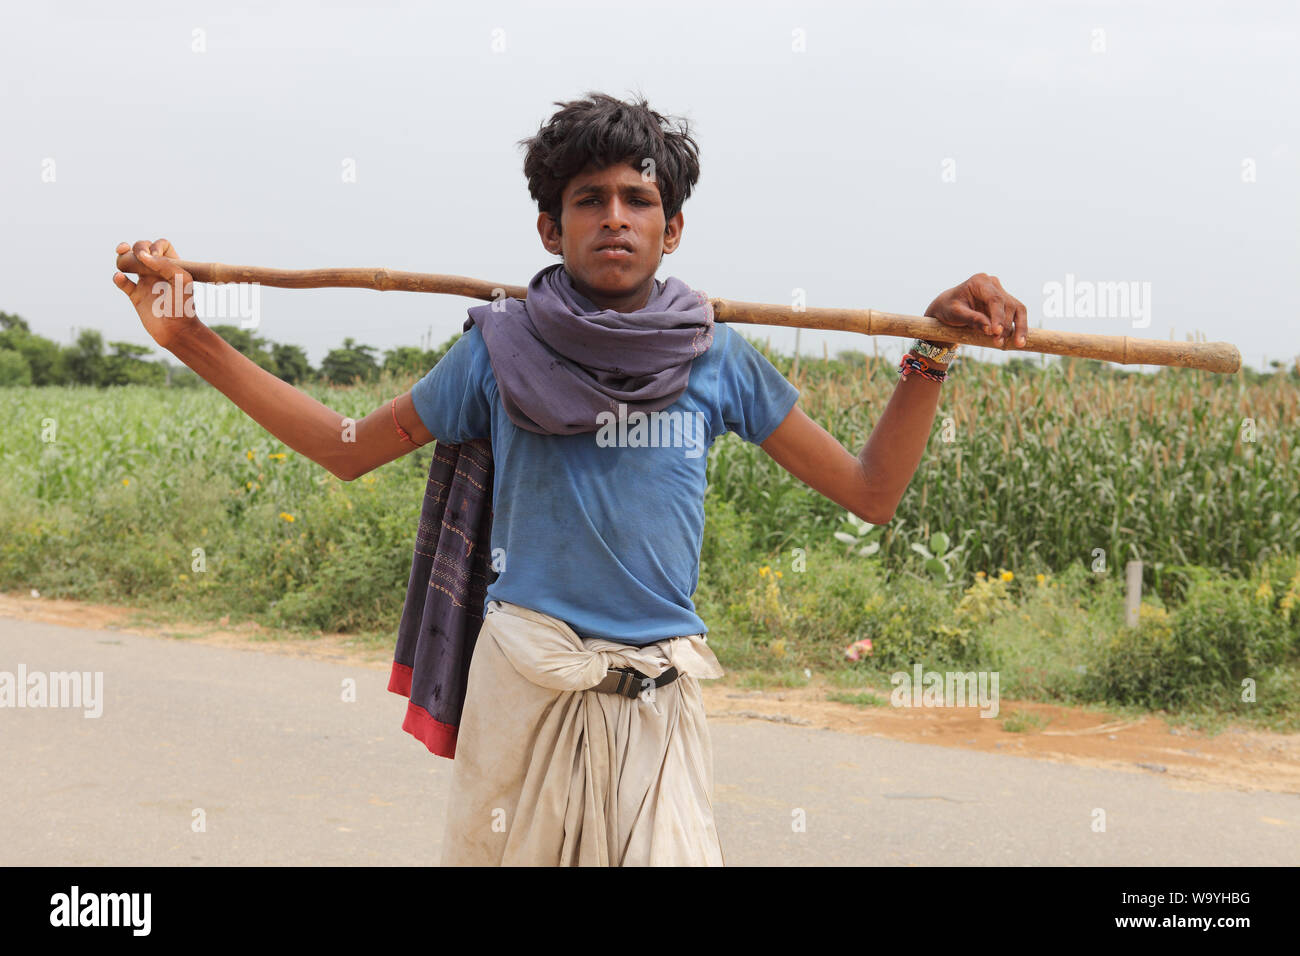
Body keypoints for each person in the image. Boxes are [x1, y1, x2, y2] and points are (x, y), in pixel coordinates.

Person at [112, 91, 1027, 867]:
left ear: (673, 230)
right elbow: (347, 446)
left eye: (638, 199)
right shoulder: (498, 353)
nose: (616, 218)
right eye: (590, 200)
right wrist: (189, 337)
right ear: (551, 227)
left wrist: (932, 351)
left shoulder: (720, 360)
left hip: (659, 702)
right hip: (526, 690)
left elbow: (871, 492)